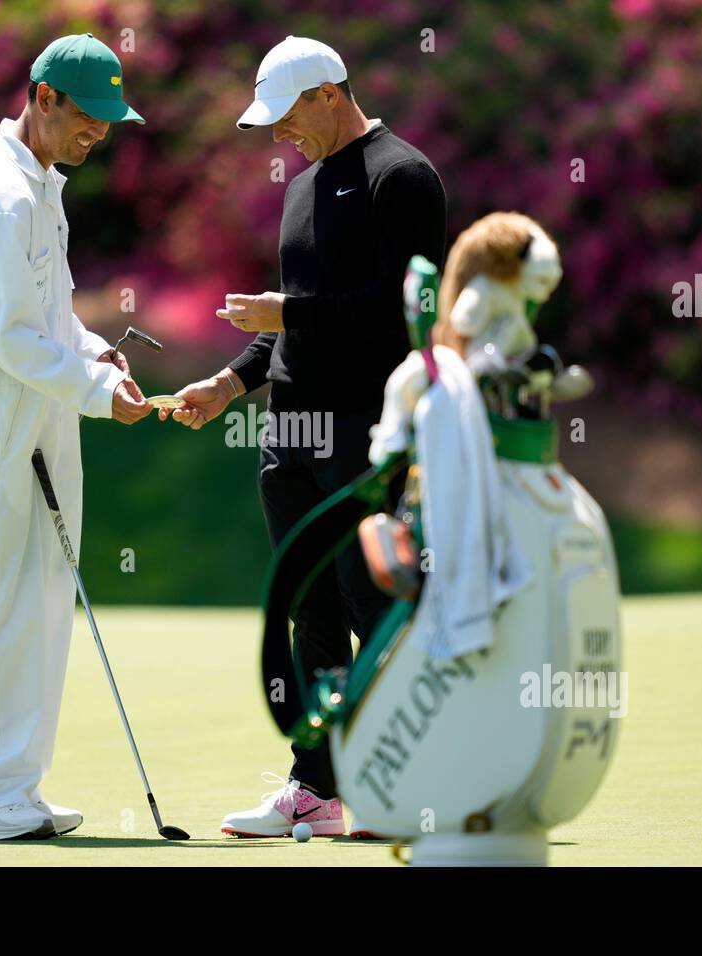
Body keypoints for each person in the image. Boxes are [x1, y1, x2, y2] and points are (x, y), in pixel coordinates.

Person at [162, 36, 447, 837]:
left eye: (286, 116)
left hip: (367, 433)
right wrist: (229, 383)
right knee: (310, 611)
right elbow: (298, 311)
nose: (277, 135)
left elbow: (400, 312)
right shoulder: (305, 185)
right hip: (290, 434)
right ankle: (317, 790)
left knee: (375, 604)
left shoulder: (404, 176)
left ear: (328, 94)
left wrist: (286, 315)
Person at [0, 33, 150, 841]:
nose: (100, 134)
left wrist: (94, 355)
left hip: (31, 436)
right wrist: (93, 390)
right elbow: (4, 337)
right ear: (43, 97)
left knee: (37, 610)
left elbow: (47, 322)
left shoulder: (40, 185)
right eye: (89, 117)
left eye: (109, 121)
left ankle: (11, 785)